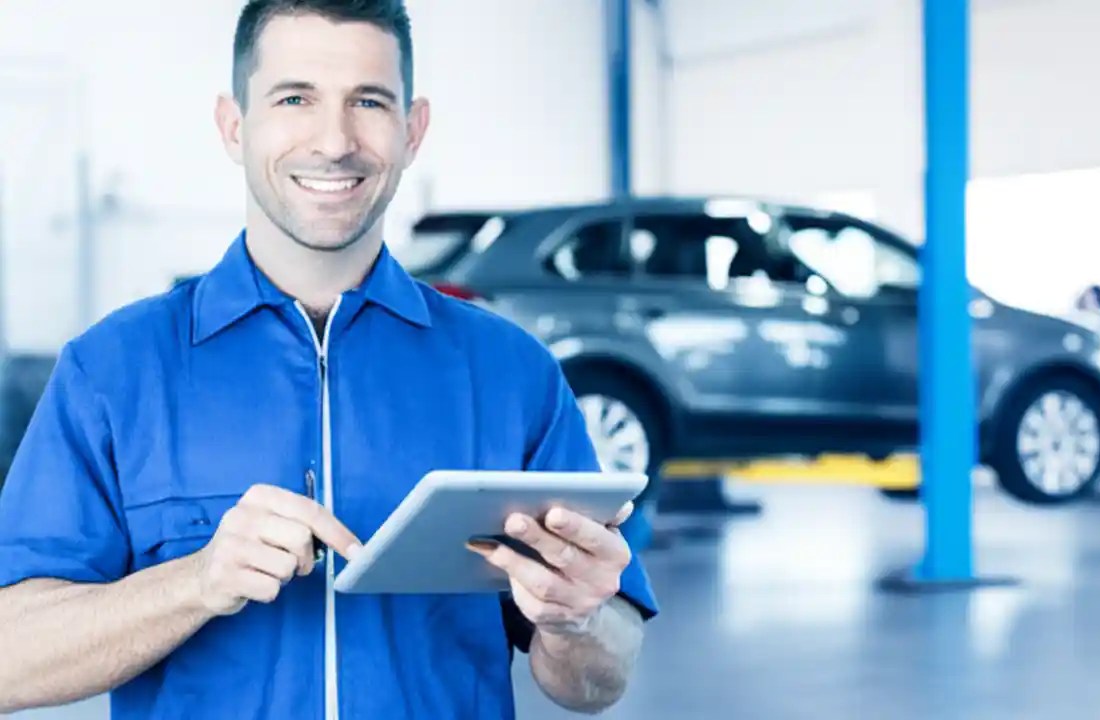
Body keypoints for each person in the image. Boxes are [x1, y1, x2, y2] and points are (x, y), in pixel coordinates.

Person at [0, 1, 657, 718]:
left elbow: (604, 677)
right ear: (233, 125)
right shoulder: (111, 373)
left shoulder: (510, 374)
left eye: (368, 102)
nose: (335, 140)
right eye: (294, 98)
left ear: (412, 130)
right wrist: (194, 582)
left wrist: (575, 620)